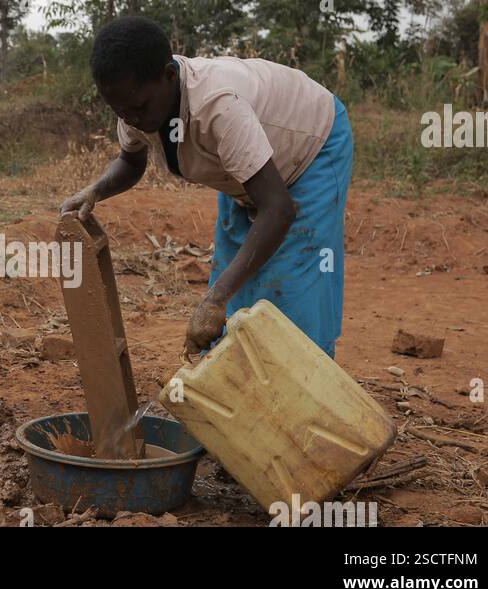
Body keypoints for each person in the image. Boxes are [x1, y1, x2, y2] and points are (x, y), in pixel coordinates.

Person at [59, 16, 354, 360]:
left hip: (310, 147)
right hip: (245, 174)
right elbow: (130, 162)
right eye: (121, 112)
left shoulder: (219, 106)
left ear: (169, 76)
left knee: (295, 293)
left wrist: (214, 298)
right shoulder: (135, 106)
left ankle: (307, 398)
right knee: (235, 289)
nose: (131, 120)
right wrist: (96, 190)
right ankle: (241, 391)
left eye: (138, 108)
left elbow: (279, 208)